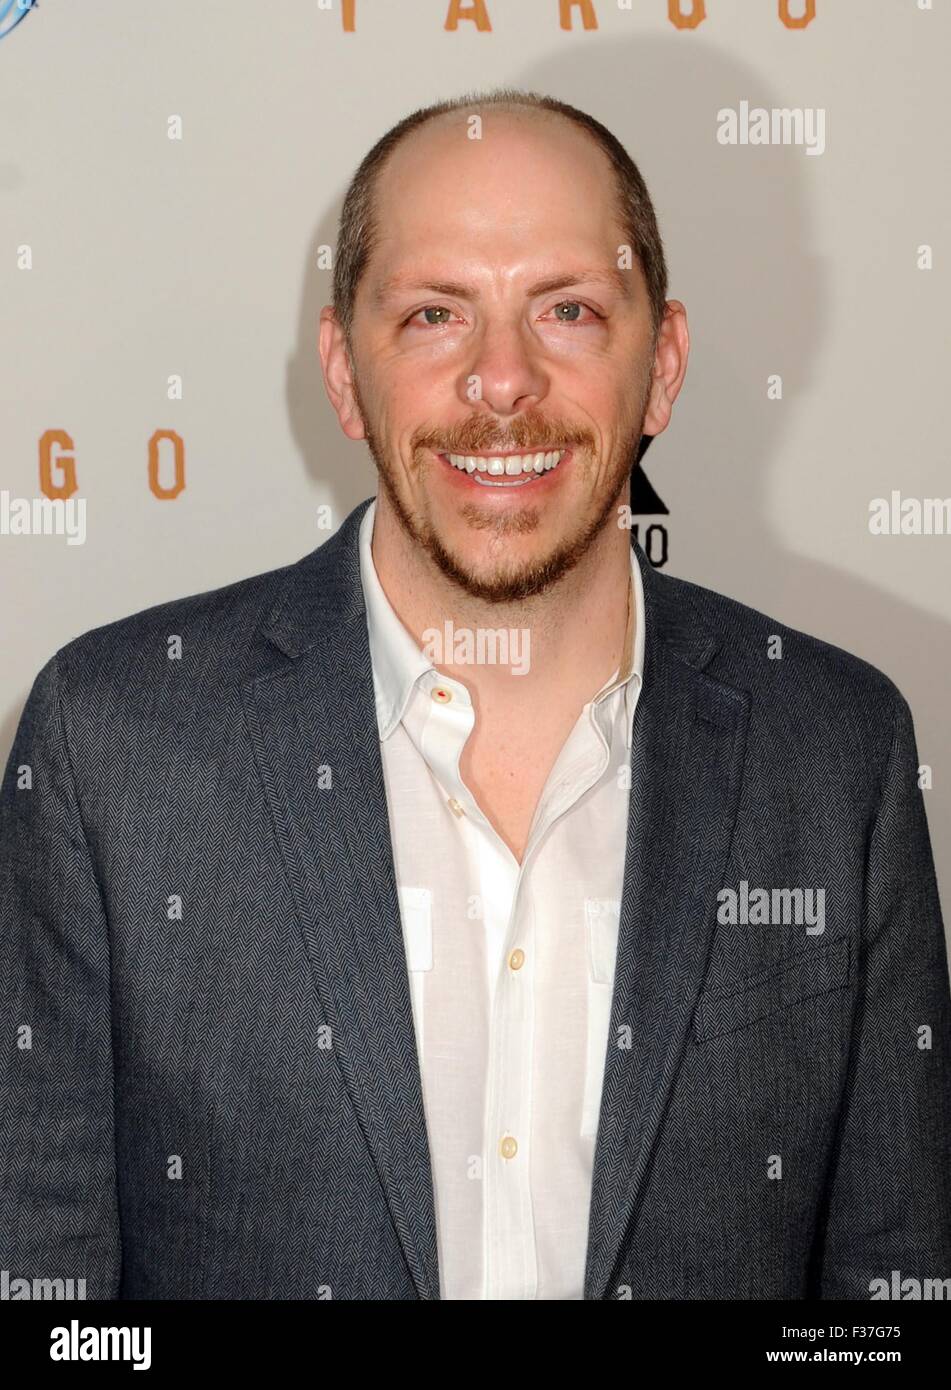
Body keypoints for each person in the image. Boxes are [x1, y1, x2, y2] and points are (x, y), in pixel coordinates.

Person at [1, 89, 949, 1301]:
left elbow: (892, 1292)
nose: (502, 381)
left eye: (566, 309)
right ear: (345, 373)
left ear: (660, 368)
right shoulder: (111, 742)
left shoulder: (839, 749)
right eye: (436, 314)